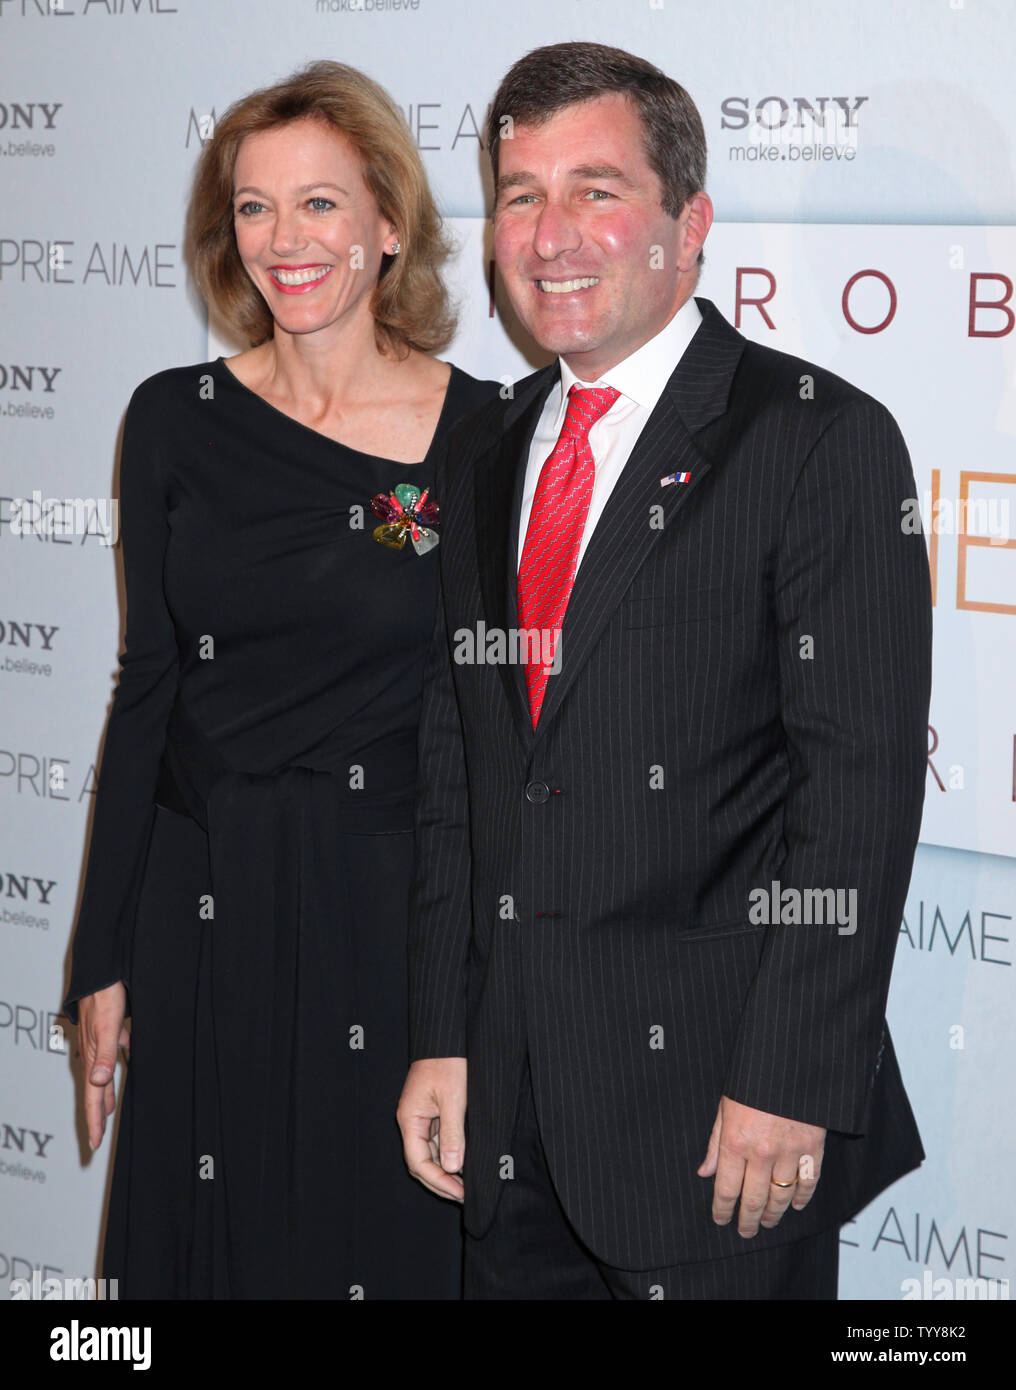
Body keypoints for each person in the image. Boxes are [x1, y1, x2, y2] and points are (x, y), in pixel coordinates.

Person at [397, 41, 932, 1300]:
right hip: (509, 1128)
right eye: (520, 192)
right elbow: (455, 775)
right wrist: (440, 1035)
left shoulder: (815, 438)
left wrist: (790, 1077)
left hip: (720, 1129)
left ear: (686, 225)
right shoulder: (479, 455)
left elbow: (854, 797)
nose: (550, 232)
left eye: (595, 189)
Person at [63, 58, 497, 1300]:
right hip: (203, 903)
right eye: (254, 206)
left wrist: (467, 1003)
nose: (283, 239)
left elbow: (489, 726)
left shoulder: (482, 436)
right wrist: (101, 954)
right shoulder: (171, 417)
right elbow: (148, 685)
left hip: (386, 913)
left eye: (319, 204)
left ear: (388, 225)